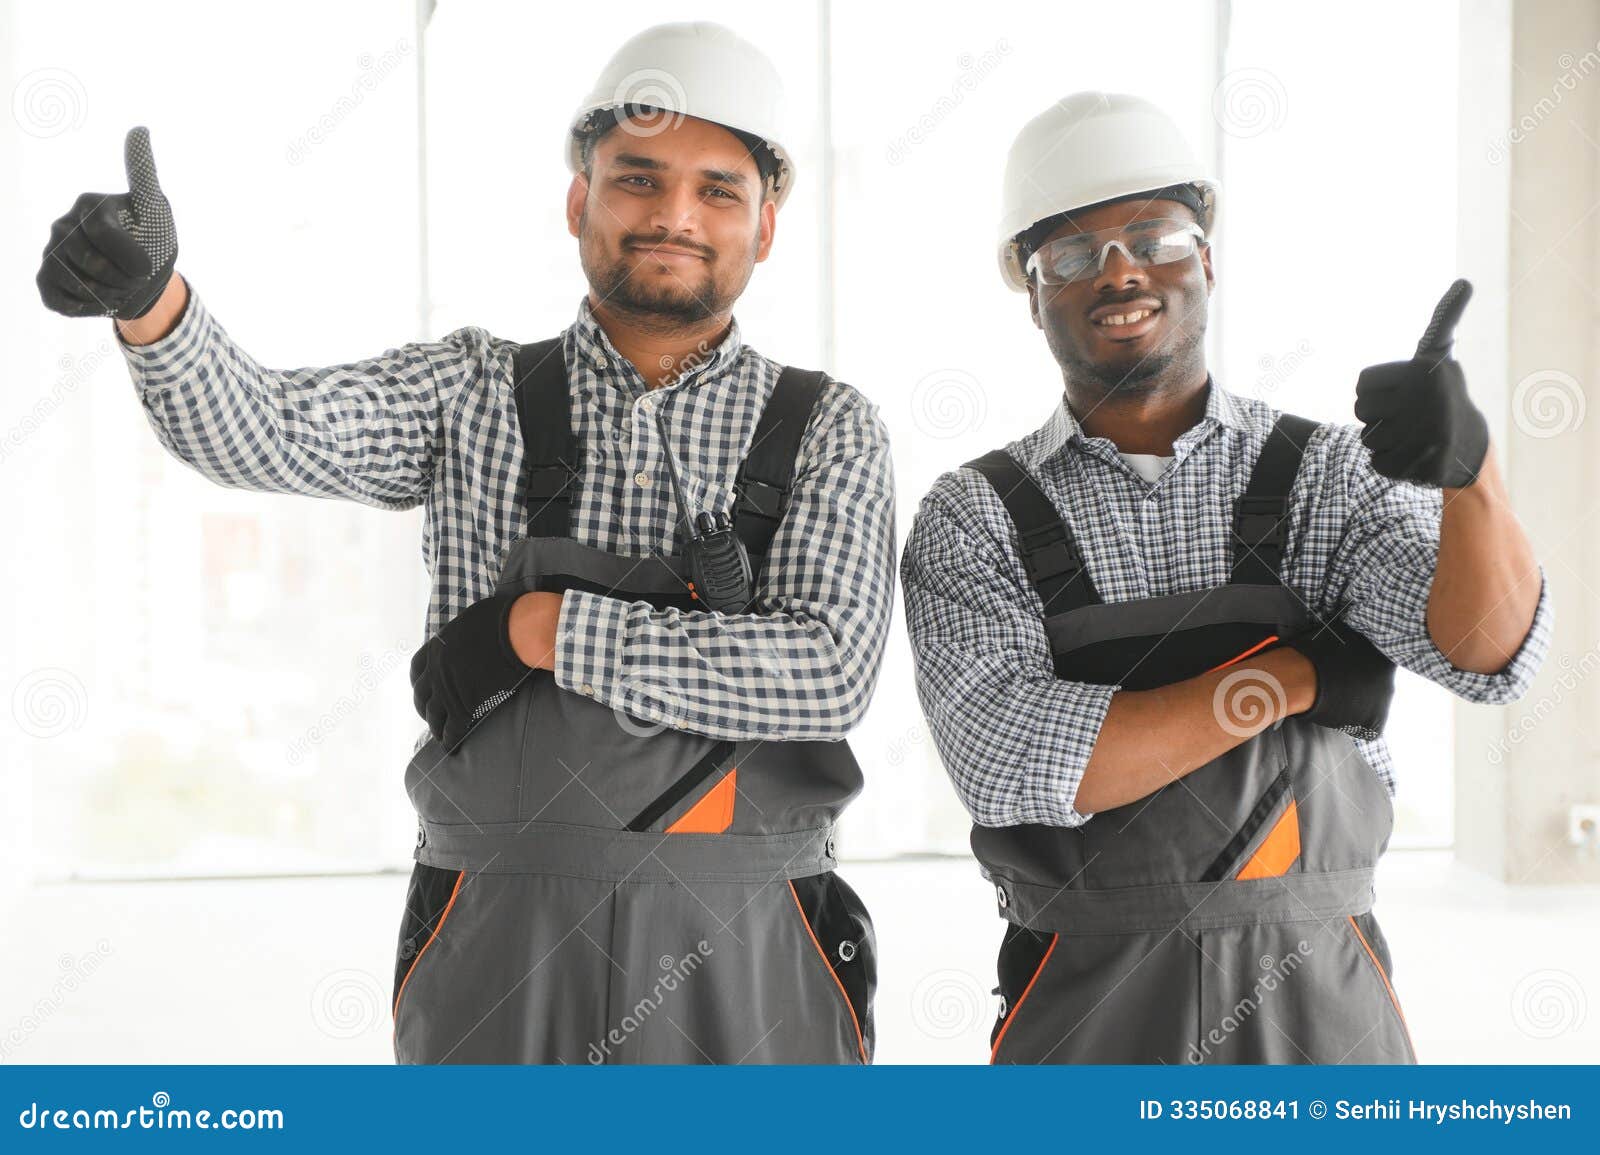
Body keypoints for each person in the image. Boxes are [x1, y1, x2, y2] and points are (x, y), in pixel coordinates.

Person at [37, 21, 893, 1065]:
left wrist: (541, 628)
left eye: (718, 190)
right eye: (637, 179)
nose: (674, 215)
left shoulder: (826, 426)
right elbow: (262, 428)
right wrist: (152, 304)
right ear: (579, 201)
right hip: (496, 938)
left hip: (753, 944)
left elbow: (826, 674)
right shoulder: (471, 392)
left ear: (765, 227)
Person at [899, 91, 1550, 1064]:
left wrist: (1471, 477)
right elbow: (1012, 766)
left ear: (1206, 259)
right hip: (1087, 1010)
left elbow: (1485, 656)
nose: (1120, 271)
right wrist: (1291, 678)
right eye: (1070, 256)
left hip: (1320, 1001)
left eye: (1153, 238)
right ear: (1031, 296)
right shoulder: (975, 513)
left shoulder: (1329, 473)